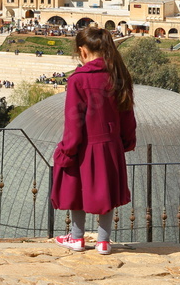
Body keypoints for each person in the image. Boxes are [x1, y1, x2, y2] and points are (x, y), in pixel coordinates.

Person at [52, 26, 136, 255]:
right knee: (105, 190)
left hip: (84, 146)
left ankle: (77, 239)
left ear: (82, 52)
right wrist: (126, 141)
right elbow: (128, 115)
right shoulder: (119, 75)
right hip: (110, 145)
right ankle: (103, 242)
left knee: (77, 186)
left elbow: (73, 122)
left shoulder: (78, 80)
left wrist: (67, 150)